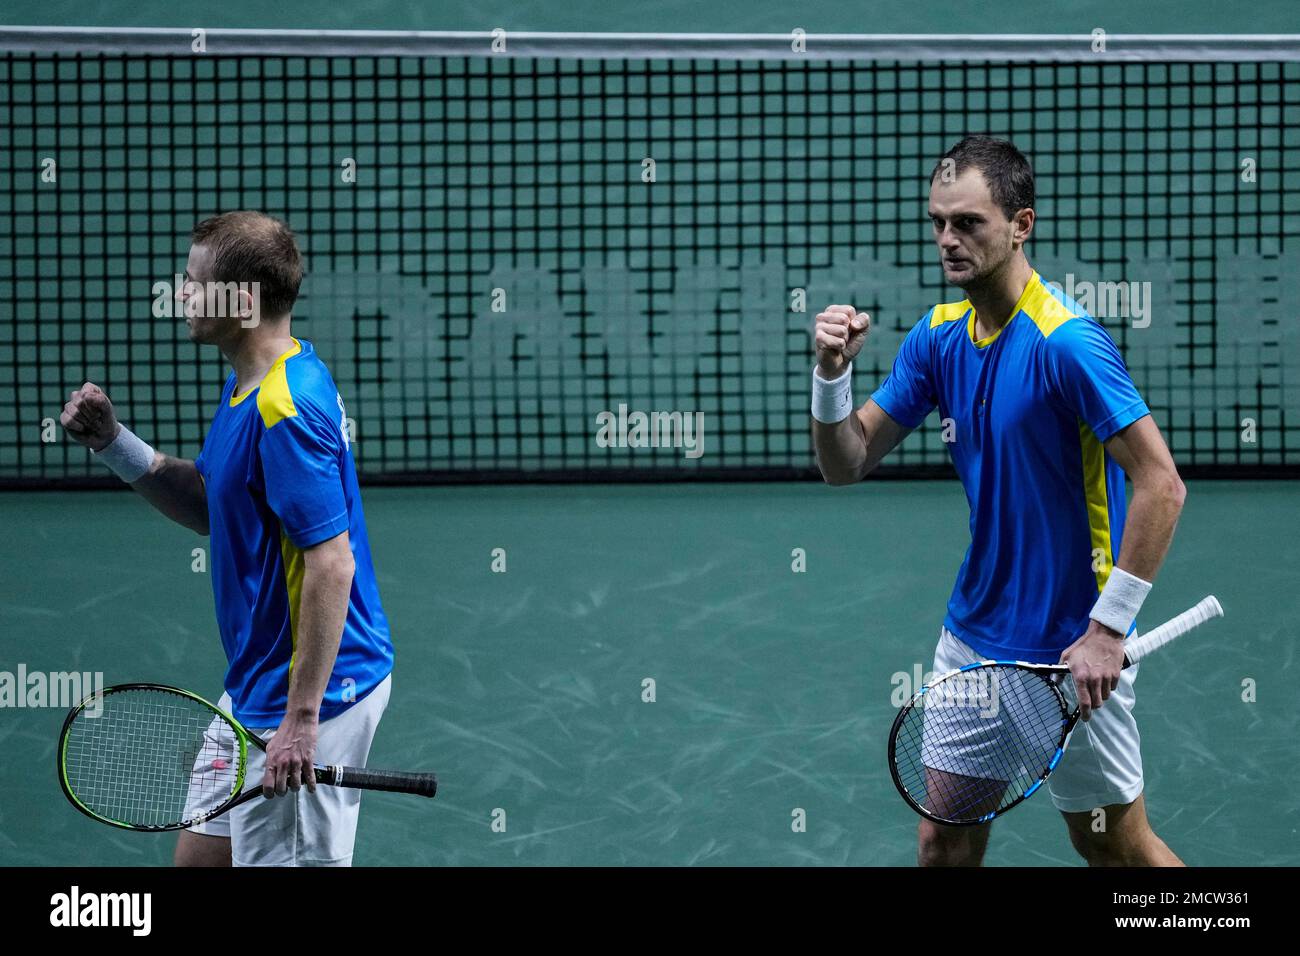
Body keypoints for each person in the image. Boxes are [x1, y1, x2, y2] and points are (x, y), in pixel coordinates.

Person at [811, 136, 1186, 866]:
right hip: (974, 643)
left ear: (1021, 224)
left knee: (1115, 849)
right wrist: (831, 377)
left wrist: (1108, 631)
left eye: (969, 223)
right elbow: (846, 462)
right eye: (938, 222)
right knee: (942, 840)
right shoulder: (939, 338)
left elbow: (1161, 484)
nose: (948, 240)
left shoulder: (1068, 344)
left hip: (1072, 655)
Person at [60, 211, 394, 866]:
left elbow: (332, 565)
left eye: (193, 281)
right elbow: (220, 505)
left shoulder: (284, 410)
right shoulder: (253, 380)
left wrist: (301, 724)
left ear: (241, 301)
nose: (181, 293)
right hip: (257, 686)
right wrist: (113, 443)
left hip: (312, 696)